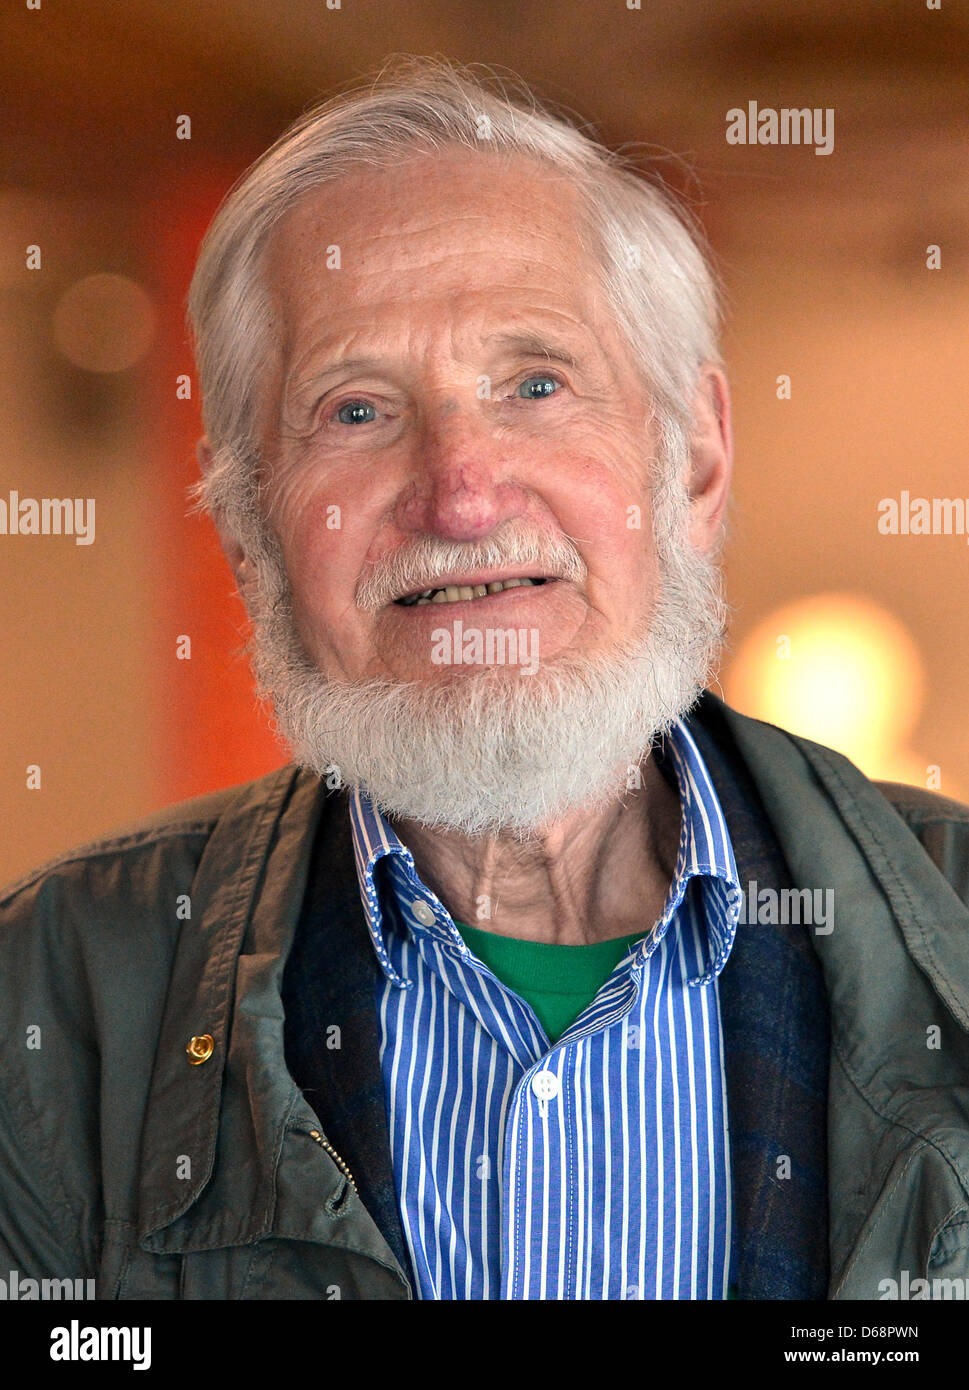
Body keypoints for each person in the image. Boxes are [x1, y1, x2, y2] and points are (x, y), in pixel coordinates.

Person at [3, 57, 969, 1303]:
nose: (461, 492)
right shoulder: (49, 999)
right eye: (356, 409)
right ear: (246, 523)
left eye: (537, 384)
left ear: (697, 462)